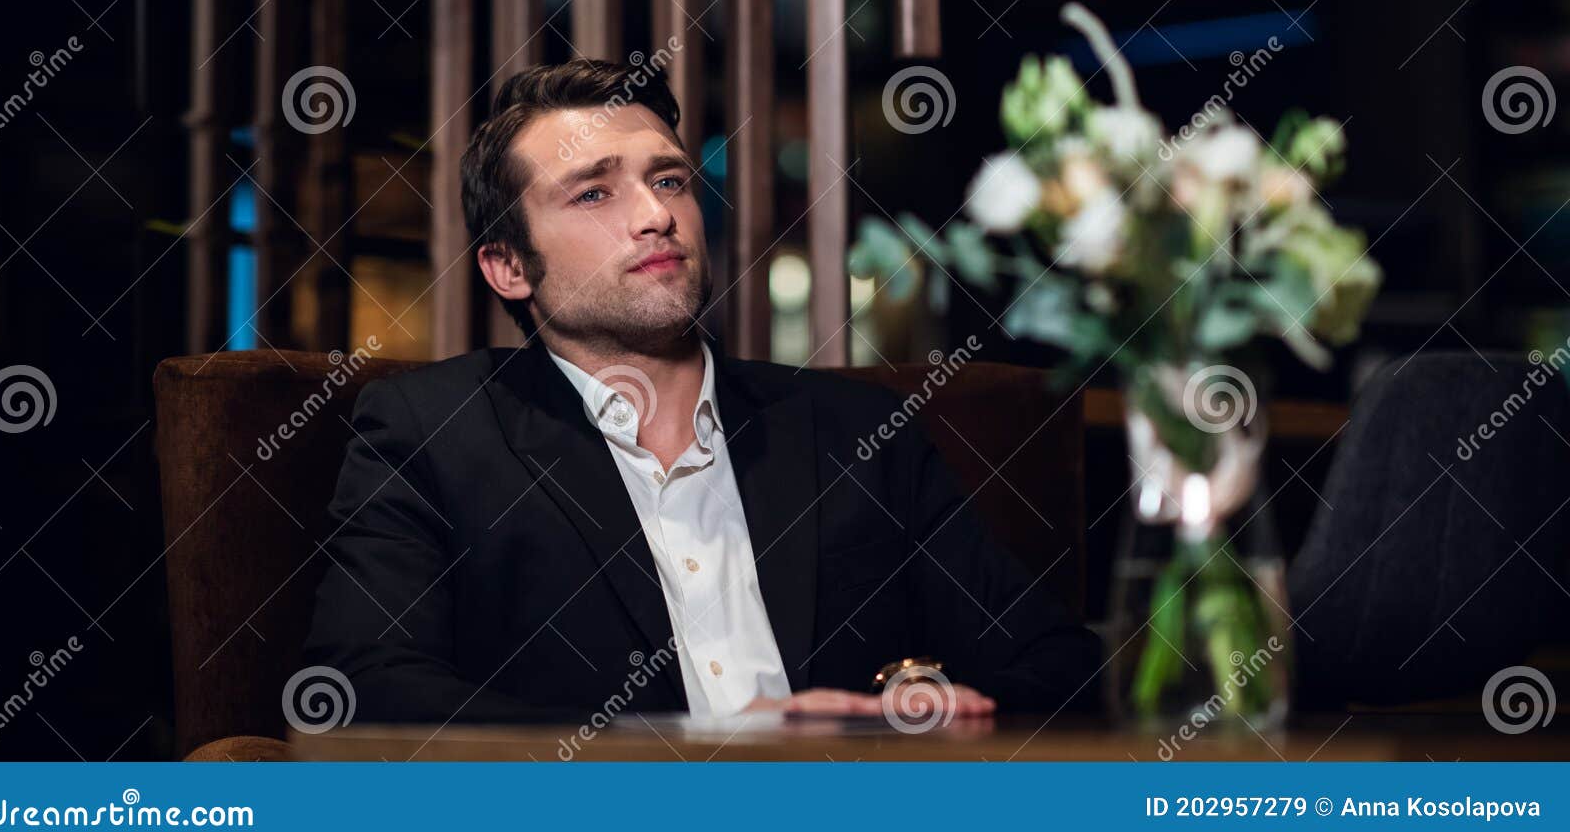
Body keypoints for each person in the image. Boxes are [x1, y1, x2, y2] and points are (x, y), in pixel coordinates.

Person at [303, 59, 1099, 725]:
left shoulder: (856, 431)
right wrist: (666, 758)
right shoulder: (432, 432)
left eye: (671, 179)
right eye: (594, 192)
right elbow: (366, 684)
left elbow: (1056, 662)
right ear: (508, 264)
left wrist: (923, 715)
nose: (656, 215)